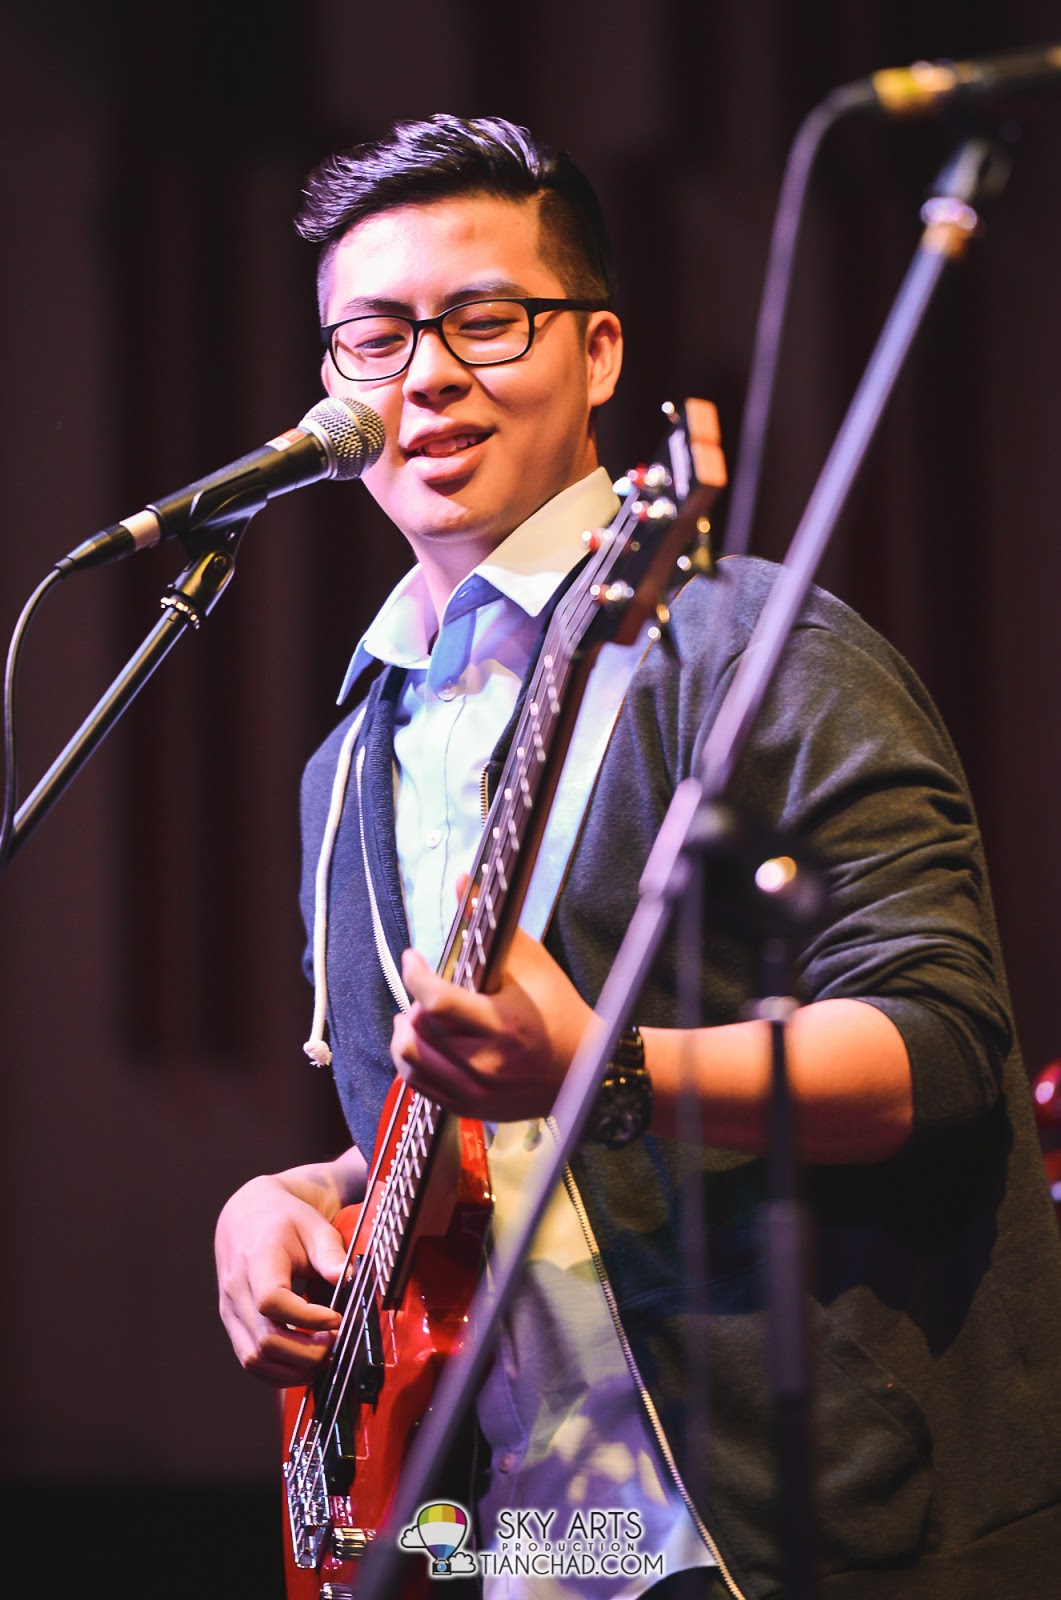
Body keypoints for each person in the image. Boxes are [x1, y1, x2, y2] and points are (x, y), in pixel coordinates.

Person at [214, 114, 1061, 1599]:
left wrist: (608, 1071)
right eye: (373, 338)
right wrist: (298, 1198)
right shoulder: (344, 762)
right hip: (534, 1538)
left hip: (809, 1523)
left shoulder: (752, 641)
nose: (425, 374)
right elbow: (467, 1128)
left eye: (483, 319)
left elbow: (942, 1049)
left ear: (597, 354)